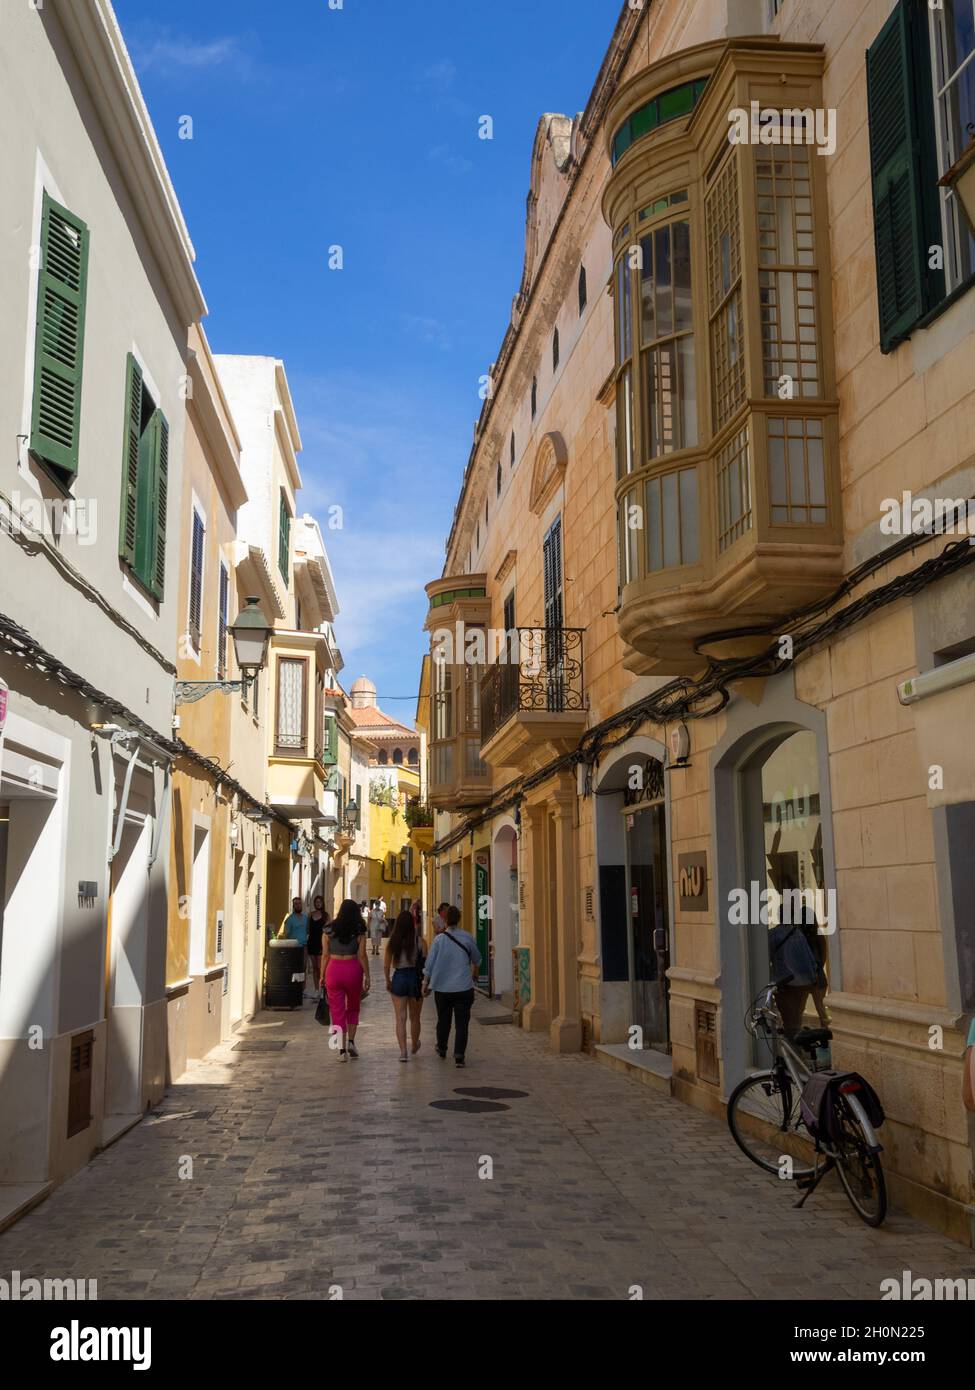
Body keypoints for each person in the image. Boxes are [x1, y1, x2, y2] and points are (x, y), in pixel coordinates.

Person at [422, 905, 481, 1067]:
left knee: (443, 1019)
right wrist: (474, 972)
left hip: (443, 989)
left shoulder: (439, 940)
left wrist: (425, 983)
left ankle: (441, 1047)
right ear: (459, 919)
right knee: (462, 1023)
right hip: (463, 987)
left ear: (445, 920)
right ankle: (459, 1055)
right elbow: (477, 958)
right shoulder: (468, 937)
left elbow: (430, 964)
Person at [321, 898, 369, 1061]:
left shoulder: (328, 930)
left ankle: (342, 1052)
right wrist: (367, 976)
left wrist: (321, 975)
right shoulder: (359, 930)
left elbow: (325, 955)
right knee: (353, 1007)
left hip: (333, 970)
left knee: (337, 1010)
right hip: (352, 968)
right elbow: (362, 955)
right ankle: (351, 1042)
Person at [384, 909, 426, 1062]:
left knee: (400, 1018)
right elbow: (425, 965)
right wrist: (426, 983)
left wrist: (388, 981)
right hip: (415, 979)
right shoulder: (420, 941)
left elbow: (386, 965)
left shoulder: (393, 942)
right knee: (415, 1018)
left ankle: (403, 1052)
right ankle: (414, 1044)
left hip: (399, 978)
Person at [307, 896, 329, 1002]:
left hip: (321, 943)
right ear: (314, 903)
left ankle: (322, 990)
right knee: (314, 968)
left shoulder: (326, 915)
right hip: (311, 942)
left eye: (320, 902)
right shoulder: (310, 915)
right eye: (316, 902)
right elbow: (307, 929)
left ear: (322, 903)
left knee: (321, 968)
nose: (318, 903)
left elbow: (328, 929)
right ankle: (316, 990)